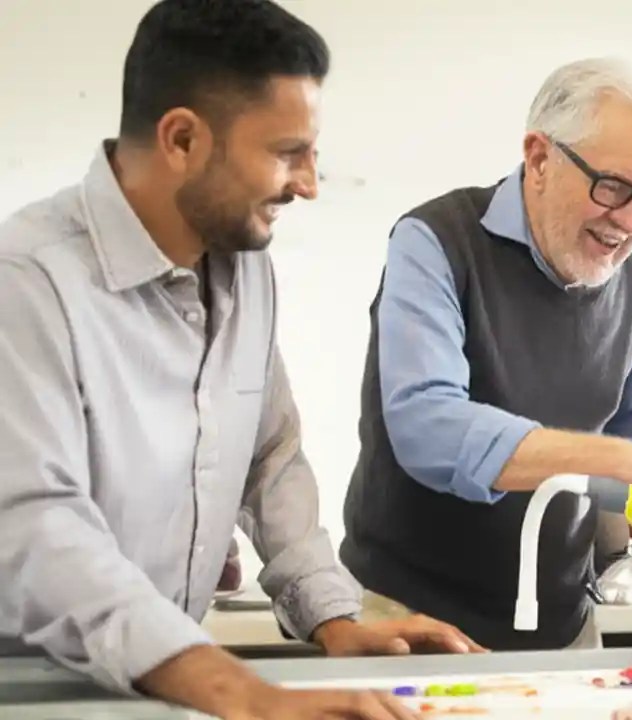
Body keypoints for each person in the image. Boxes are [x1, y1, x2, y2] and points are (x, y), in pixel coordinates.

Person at [0, 2, 481, 718]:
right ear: (183, 139)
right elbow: (39, 531)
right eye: (289, 151)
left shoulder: (243, 267)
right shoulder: (28, 284)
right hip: (37, 698)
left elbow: (268, 456)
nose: (310, 183)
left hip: (169, 696)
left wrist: (336, 621)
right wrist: (244, 694)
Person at [341, 57, 632, 652]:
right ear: (539, 158)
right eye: (612, 187)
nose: (630, 220)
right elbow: (427, 428)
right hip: (413, 615)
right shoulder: (436, 241)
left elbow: (609, 468)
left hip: (561, 625)